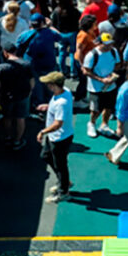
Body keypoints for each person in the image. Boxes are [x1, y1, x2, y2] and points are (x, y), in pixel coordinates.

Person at [37, 72, 74, 203]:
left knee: (61, 165)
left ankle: (63, 191)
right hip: (56, 137)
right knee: (46, 156)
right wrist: (48, 107)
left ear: (53, 85)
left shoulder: (61, 103)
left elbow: (58, 124)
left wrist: (43, 132)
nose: (47, 86)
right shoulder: (65, 92)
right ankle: (63, 181)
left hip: (60, 138)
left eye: (48, 84)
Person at [83, 33, 121, 139]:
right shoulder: (91, 55)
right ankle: (91, 124)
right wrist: (101, 80)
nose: (109, 46)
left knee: (108, 107)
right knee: (95, 109)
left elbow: (117, 65)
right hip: (95, 87)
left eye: (110, 44)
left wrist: (111, 76)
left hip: (110, 86)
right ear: (99, 43)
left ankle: (104, 125)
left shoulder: (114, 51)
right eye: (106, 44)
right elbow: (86, 71)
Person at [0, 47, 32, 150]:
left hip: (7, 96)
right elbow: (31, 81)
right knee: (20, 118)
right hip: (22, 95)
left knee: (7, 117)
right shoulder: (26, 64)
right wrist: (29, 92)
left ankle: (8, 136)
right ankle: (17, 140)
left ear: (5, 52)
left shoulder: (2, 67)